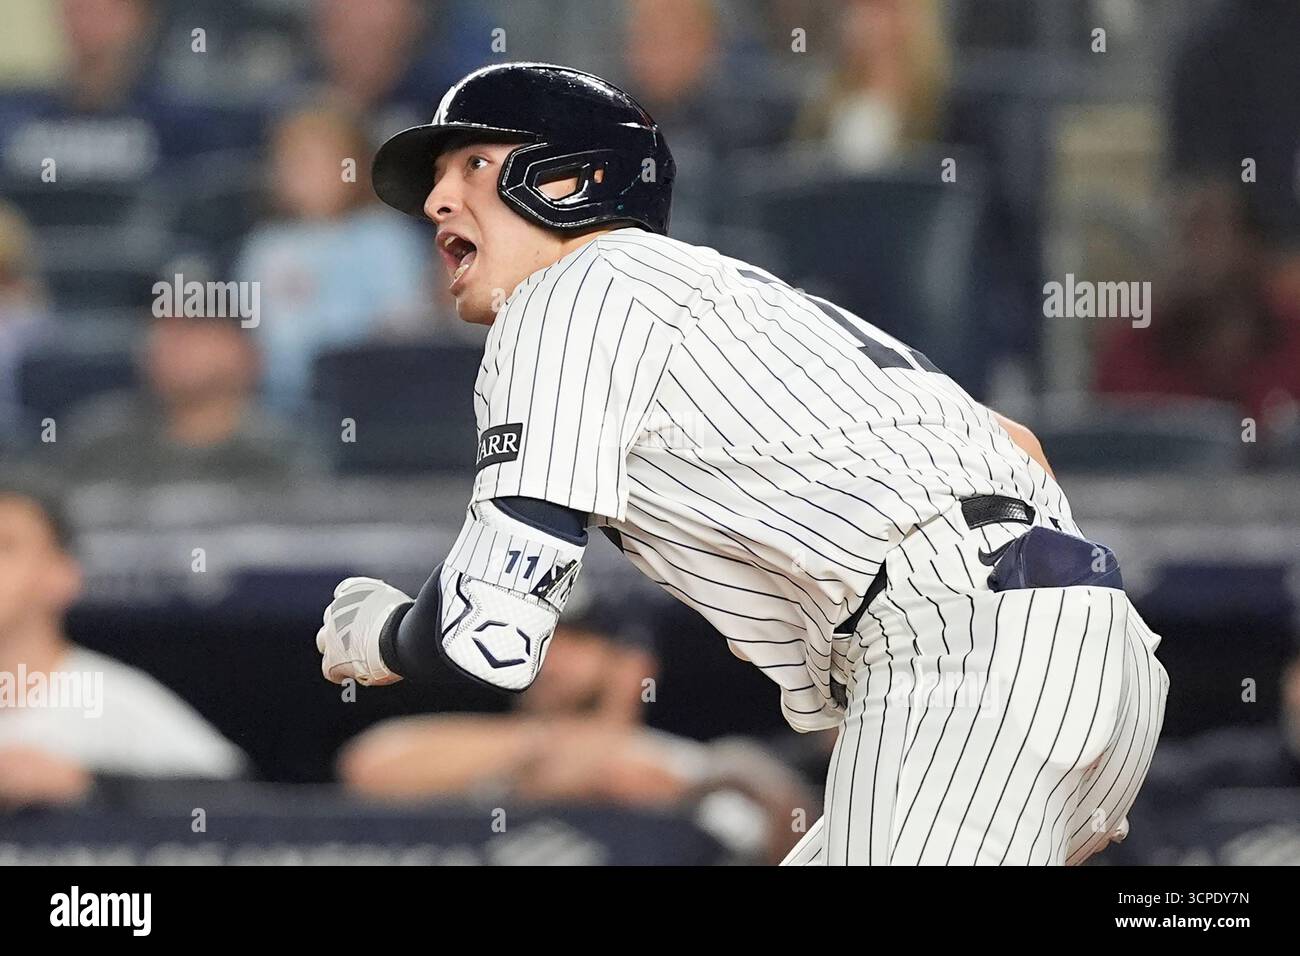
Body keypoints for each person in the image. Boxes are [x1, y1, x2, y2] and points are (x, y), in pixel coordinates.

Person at [312, 62, 1169, 866]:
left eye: (470, 163)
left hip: (964, 655)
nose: (434, 201)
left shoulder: (566, 293)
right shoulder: (724, 295)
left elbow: (492, 632)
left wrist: (383, 635)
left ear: (572, 180)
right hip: (1072, 639)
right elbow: (1018, 443)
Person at [337, 591, 813, 864]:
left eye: (576, 639)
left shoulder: (675, 766)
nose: (551, 654)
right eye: (541, 635)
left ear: (631, 666)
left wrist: (700, 791)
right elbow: (367, 767)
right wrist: (547, 748)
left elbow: (785, 837)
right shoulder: (487, 754)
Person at [0, 472, 247, 809]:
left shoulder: (112, 700)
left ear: (62, 574)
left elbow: (238, 802)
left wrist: (89, 785)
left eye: (5, 546)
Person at [235, 103, 442, 409]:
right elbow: (251, 331)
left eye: (313, 161)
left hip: (369, 397)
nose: (299, 175)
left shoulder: (385, 238)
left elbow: (405, 323)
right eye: (289, 162)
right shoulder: (265, 245)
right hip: (278, 401)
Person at [58, 311, 317, 485]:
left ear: (248, 353)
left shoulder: (284, 453)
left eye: (195, 329)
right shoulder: (98, 442)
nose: (173, 343)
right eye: (163, 330)